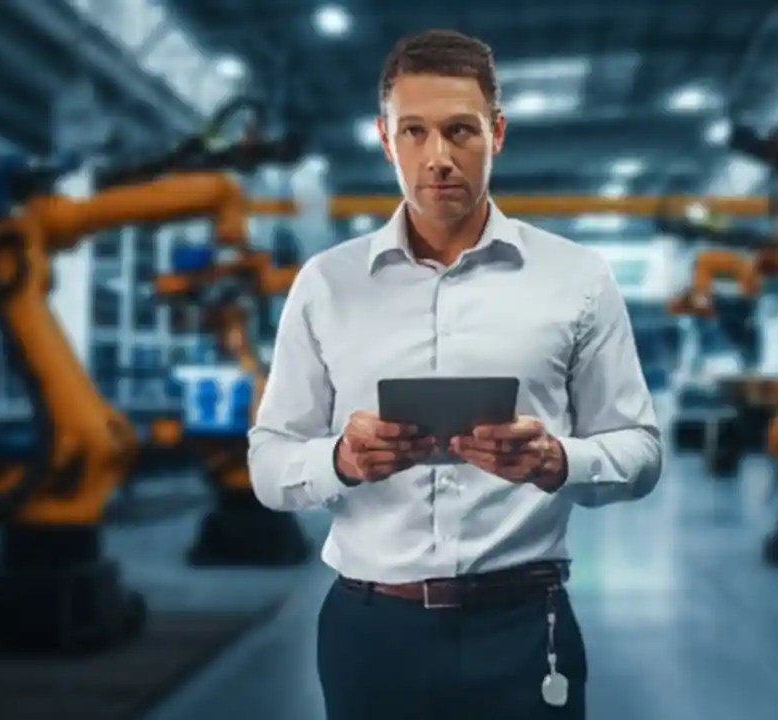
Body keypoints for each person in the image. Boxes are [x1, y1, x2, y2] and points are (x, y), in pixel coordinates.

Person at [247, 28, 663, 720]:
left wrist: (556, 459)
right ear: (386, 140)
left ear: (496, 133)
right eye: (413, 132)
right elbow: (268, 463)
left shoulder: (577, 280)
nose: (437, 157)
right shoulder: (326, 285)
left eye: (459, 130)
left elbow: (641, 451)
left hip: (526, 630)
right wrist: (340, 461)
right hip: (370, 633)